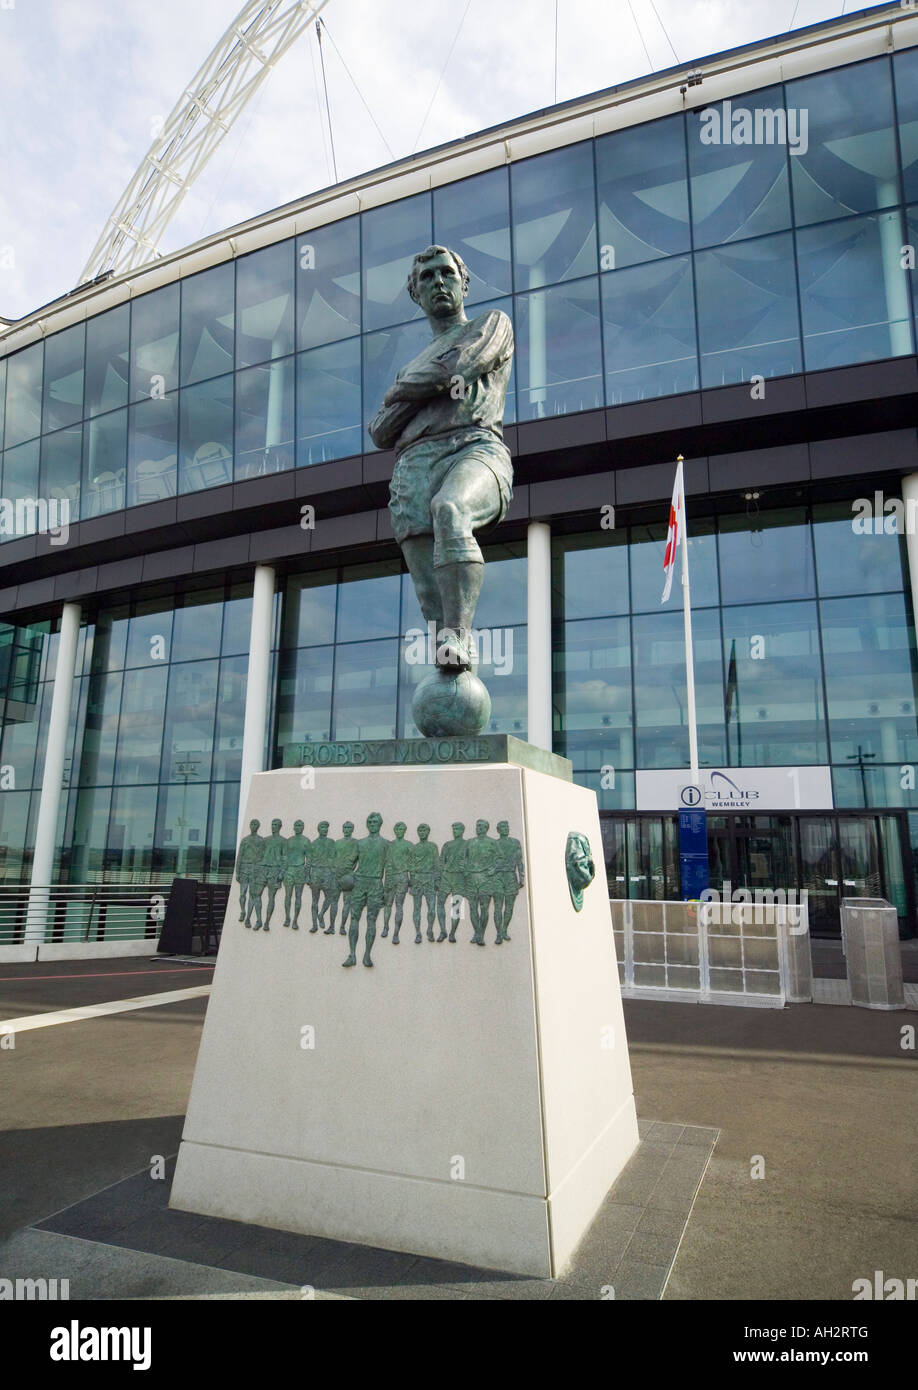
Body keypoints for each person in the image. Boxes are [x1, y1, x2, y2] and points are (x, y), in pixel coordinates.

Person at [368, 245, 514, 673]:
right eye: (426, 278)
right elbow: (380, 430)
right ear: (415, 293)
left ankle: (461, 636)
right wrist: (418, 385)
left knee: (450, 509)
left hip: (474, 446)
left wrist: (404, 391)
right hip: (413, 466)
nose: (438, 282)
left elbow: (460, 369)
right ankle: (446, 660)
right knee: (428, 592)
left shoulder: (491, 325)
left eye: (446, 273)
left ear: (463, 282)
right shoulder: (413, 364)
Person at [343, 812, 388, 968]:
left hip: (375, 883)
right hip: (360, 882)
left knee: (371, 920)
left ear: (380, 824)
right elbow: (350, 863)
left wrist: (387, 890)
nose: (372, 823)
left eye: (375, 821)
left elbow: (390, 868)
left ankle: (367, 955)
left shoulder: (386, 844)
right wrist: (345, 877)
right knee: (354, 918)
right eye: (369, 821)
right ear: (367, 824)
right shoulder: (360, 843)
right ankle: (352, 954)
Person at [437, 821, 468, 943]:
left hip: (459, 878)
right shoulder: (447, 845)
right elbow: (441, 861)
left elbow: (470, 860)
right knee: (440, 903)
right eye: (454, 829)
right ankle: (443, 930)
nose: (455, 831)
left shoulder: (467, 844)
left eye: (458, 829)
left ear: (462, 830)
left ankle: (452, 933)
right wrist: (439, 877)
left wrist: (465, 870)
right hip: (446, 876)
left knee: (456, 907)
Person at [493, 819, 524, 943]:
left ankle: (504, 930)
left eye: (506, 827)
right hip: (498, 877)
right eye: (502, 827)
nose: (505, 829)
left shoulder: (515, 842)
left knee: (509, 906)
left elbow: (519, 862)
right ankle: (499, 933)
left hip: (511, 876)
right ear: (498, 830)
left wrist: (521, 877)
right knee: (498, 906)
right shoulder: (494, 844)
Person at [383, 821, 413, 944]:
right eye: (397, 829)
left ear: (404, 831)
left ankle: (396, 933)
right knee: (388, 904)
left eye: (401, 829)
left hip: (402, 876)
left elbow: (412, 864)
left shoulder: (409, 845)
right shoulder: (390, 845)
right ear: (394, 831)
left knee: (399, 905)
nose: (399, 831)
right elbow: (386, 862)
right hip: (390, 877)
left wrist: (412, 880)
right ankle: (385, 927)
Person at [409, 823, 439, 943]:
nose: (422, 833)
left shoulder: (433, 846)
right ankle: (418, 933)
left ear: (428, 832)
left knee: (431, 908)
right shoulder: (414, 847)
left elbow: (437, 863)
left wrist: (437, 880)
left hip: (430, 879)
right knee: (417, 908)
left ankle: (430, 930)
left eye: (424, 830)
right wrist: (412, 880)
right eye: (420, 830)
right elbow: (411, 864)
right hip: (417, 880)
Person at [282, 819, 311, 930]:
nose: (298, 827)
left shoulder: (306, 841)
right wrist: (282, 871)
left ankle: (295, 920)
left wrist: (307, 874)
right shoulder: (289, 840)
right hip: (289, 870)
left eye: (300, 825)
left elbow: (309, 859)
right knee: (288, 896)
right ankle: (287, 918)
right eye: (296, 825)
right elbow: (284, 857)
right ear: (293, 827)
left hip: (300, 870)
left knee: (298, 897)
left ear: (303, 827)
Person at [331, 821, 358, 936]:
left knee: (347, 902)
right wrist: (333, 869)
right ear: (342, 829)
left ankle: (342, 926)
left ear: (352, 829)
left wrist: (354, 874)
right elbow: (332, 857)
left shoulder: (356, 843)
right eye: (345, 827)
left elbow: (359, 859)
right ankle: (331, 926)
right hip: (336, 874)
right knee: (334, 901)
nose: (347, 829)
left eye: (349, 827)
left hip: (348, 875)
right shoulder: (337, 843)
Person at [235, 818, 264, 925]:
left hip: (254, 869)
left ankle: (250, 918)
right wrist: (237, 871)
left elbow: (261, 856)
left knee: (253, 894)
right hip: (244, 869)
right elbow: (239, 857)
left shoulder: (261, 840)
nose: (253, 826)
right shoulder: (245, 840)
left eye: (255, 824)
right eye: (251, 824)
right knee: (242, 893)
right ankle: (243, 911)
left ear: (258, 826)